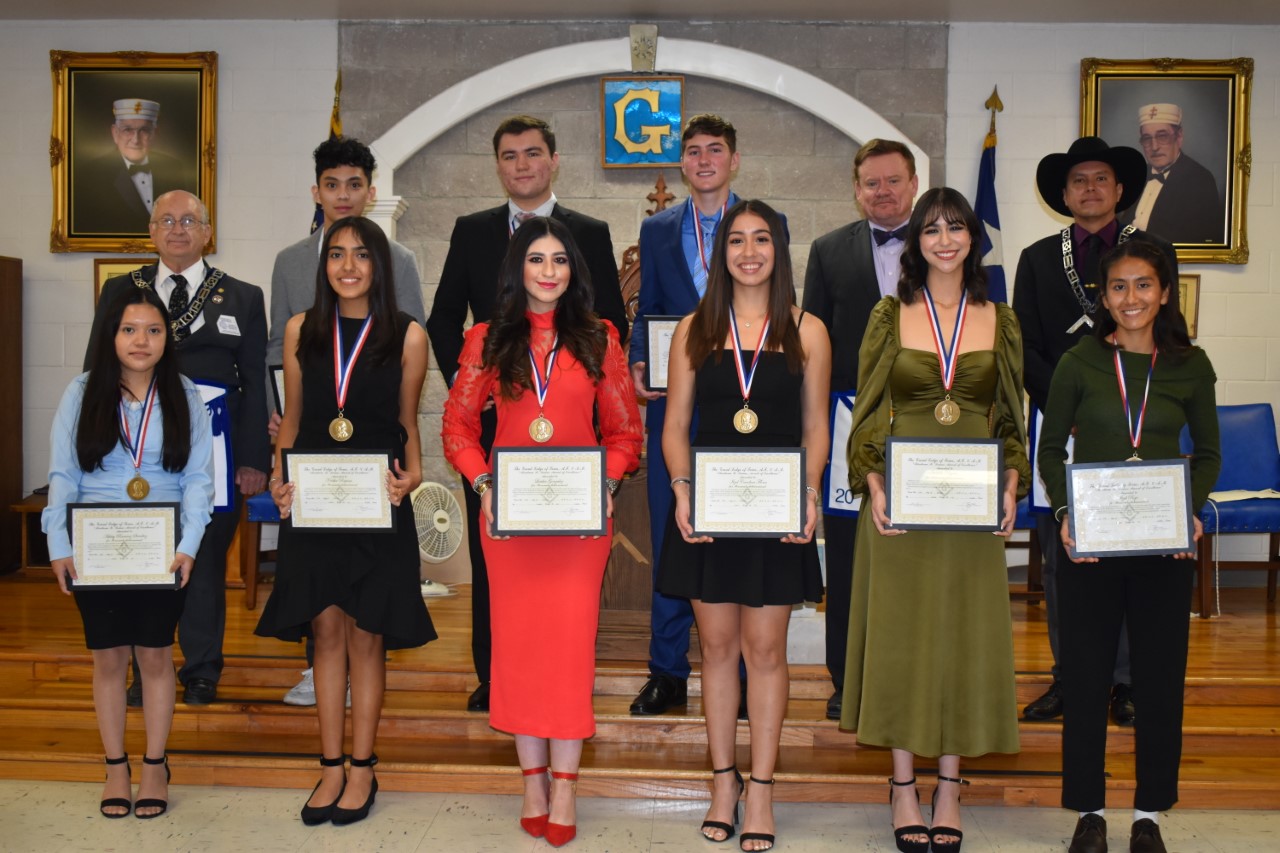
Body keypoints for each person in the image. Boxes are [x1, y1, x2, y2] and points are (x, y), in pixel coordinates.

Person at [441, 216, 642, 847]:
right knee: (520, 650)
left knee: (569, 648)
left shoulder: (600, 339)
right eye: (536, 260)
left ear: (573, 271)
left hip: (578, 528)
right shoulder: (486, 339)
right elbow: (457, 430)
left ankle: (568, 783)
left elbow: (624, 435)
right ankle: (533, 779)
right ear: (517, 269)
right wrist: (484, 486)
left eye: (559, 260)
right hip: (509, 521)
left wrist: (603, 486)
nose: (549, 270)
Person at [842, 187, 1028, 853]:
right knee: (902, 634)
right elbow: (865, 413)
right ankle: (901, 785)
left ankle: (949, 782)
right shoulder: (889, 315)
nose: (944, 239)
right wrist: (872, 484)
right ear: (914, 242)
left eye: (956, 227)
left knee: (961, 632)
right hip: (902, 501)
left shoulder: (999, 318)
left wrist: (1012, 483)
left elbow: (1008, 415)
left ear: (973, 237)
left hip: (973, 509)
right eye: (931, 229)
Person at [426, 114, 627, 714]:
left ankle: (559, 704)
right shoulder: (472, 231)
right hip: (497, 441)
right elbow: (442, 320)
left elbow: (609, 322)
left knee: (565, 604)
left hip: (571, 444)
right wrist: (484, 386)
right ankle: (498, 683)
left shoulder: (588, 232)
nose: (521, 164)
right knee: (499, 583)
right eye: (508, 155)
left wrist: (606, 476)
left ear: (554, 159)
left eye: (532, 153)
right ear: (498, 165)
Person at [657, 200, 828, 851]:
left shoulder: (805, 330)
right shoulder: (694, 329)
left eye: (762, 239)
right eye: (736, 240)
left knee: (767, 652)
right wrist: (680, 487)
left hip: (776, 517)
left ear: (779, 251)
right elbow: (676, 427)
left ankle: (761, 787)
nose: (749, 251)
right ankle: (722, 781)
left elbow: (815, 428)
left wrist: (809, 494)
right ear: (721, 252)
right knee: (718, 650)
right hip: (710, 513)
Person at [1039, 239, 1220, 853]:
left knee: (1159, 680)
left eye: (1144, 285)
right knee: (1087, 679)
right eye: (1118, 286)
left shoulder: (1190, 366)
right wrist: (1065, 514)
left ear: (1165, 292)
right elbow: (1048, 451)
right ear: (1103, 296)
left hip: (1164, 549)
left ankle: (1149, 814)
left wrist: (1188, 512)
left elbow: (1211, 454)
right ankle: (1089, 811)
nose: (1131, 298)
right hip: (1091, 545)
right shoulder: (1079, 363)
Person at [256, 215, 435, 826]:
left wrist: (413, 476)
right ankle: (329, 766)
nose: (349, 266)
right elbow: (296, 420)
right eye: (337, 255)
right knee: (325, 635)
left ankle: (363, 766)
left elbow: (408, 426)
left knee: (367, 636)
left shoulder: (408, 335)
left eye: (362, 255)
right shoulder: (301, 329)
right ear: (323, 264)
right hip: (315, 504)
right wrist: (279, 481)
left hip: (377, 503)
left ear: (379, 266)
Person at [1014, 136, 1178, 727]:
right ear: (1063, 194)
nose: (1090, 188)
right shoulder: (1036, 257)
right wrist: (1069, 403)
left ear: (1119, 189)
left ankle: (1129, 682)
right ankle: (1071, 678)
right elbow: (1025, 346)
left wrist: (1119, 401)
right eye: (1078, 180)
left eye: (1100, 179)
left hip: (1132, 423)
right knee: (1065, 557)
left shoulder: (1153, 251)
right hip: (1062, 426)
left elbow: (1174, 334)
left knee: (1133, 550)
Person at [629, 113, 788, 716]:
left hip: (745, 405)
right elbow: (648, 310)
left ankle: (748, 676)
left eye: (714, 149)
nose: (703, 160)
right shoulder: (659, 229)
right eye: (692, 151)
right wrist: (642, 357)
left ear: (735, 159)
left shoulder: (764, 224)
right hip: (678, 401)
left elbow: (780, 302)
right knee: (676, 534)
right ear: (682, 163)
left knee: (746, 535)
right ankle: (667, 671)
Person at [86, 189, 270, 707]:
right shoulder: (123, 290)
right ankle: (149, 669)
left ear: (208, 231)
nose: (178, 229)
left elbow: (256, 382)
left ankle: (203, 667)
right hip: (136, 450)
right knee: (148, 557)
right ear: (151, 231)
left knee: (206, 557)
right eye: (166, 220)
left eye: (190, 220)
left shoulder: (242, 296)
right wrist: (95, 448)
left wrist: (255, 458)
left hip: (217, 446)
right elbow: (96, 369)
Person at [267, 135, 428, 707]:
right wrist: (278, 457)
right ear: (317, 193)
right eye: (331, 185)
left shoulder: (399, 268)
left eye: (353, 184)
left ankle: (361, 738)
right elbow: (283, 372)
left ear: (369, 191)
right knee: (326, 619)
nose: (349, 266)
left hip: (372, 465)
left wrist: (414, 468)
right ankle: (322, 686)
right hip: (314, 463)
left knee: (367, 623)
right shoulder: (291, 268)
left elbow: (402, 385)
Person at [44, 286, 214, 819]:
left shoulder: (186, 393)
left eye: (154, 330)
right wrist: (58, 545)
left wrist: (188, 546)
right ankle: (115, 765)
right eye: (129, 330)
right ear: (111, 336)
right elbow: (61, 475)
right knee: (109, 659)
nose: (141, 340)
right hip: (96, 546)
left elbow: (198, 481)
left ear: (168, 338)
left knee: (157, 657)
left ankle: (155, 764)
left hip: (161, 549)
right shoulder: (81, 392)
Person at [802, 137, 918, 722]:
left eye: (893, 181)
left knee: (915, 552)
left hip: (927, 424)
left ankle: (909, 674)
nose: (882, 192)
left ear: (913, 184)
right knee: (846, 556)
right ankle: (845, 677)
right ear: (856, 190)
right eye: (871, 183)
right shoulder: (827, 251)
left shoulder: (942, 243)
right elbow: (813, 344)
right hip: (851, 423)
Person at [74, 98, 192, 234]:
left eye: (144, 130)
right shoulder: (90, 173)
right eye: (127, 130)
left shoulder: (173, 167)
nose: (136, 140)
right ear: (115, 133)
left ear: (154, 134)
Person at [1119, 103, 1222, 245]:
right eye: (1147, 138)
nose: (1154, 147)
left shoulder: (1200, 180)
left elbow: (1202, 241)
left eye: (1162, 136)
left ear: (1179, 137)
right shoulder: (1139, 175)